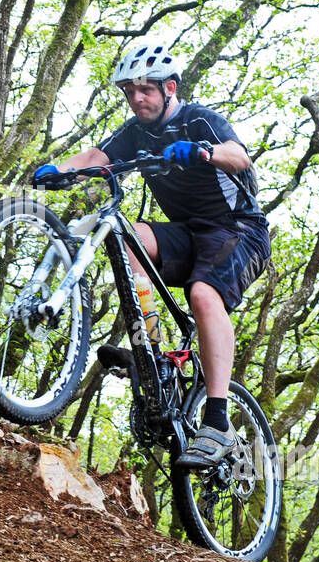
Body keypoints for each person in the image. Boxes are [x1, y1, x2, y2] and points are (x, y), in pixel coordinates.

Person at [33, 38, 271, 468]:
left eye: (146, 89)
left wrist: (204, 151)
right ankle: (154, 356)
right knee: (128, 236)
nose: (136, 98)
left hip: (239, 230)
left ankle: (217, 421)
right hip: (186, 233)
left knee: (203, 294)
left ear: (170, 88)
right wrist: (59, 170)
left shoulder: (200, 119)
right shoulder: (136, 133)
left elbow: (239, 157)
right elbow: (96, 155)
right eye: (129, 91)